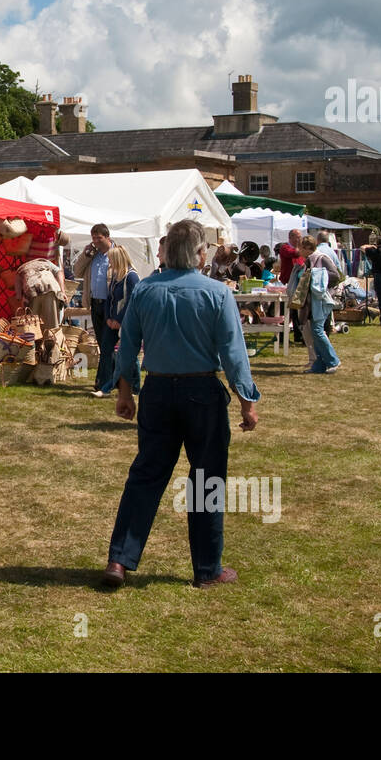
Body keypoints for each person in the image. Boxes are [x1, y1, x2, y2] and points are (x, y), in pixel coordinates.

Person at [101, 220, 259, 591]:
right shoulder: (216, 294)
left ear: (167, 250)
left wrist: (125, 393)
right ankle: (207, 568)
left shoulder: (145, 291)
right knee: (207, 480)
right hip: (202, 393)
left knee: (145, 477)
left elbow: (127, 346)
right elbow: (234, 356)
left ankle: (119, 560)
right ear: (201, 253)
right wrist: (247, 402)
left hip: (157, 392)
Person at [73, 224, 116, 394]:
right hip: (95, 303)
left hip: (110, 303)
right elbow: (77, 271)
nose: (96, 242)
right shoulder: (93, 255)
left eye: (99, 238)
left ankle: (103, 382)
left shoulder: (116, 253)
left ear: (107, 237)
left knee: (107, 345)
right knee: (103, 344)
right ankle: (119, 378)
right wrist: (85, 254)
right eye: (93, 238)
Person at [94, 245, 141, 397]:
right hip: (112, 321)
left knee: (129, 353)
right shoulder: (115, 276)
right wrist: (108, 318)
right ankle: (105, 386)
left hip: (126, 322)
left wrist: (119, 320)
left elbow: (131, 302)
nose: (109, 263)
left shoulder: (132, 276)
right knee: (106, 350)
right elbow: (110, 298)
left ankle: (134, 386)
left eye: (111, 259)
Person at [291, 236, 343, 373]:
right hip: (311, 302)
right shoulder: (308, 260)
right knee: (314, 332)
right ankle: (319, 365)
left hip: (321, 301)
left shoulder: (321, 258)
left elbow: (336, 276)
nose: (298, 250)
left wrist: (316, 274)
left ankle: (333, 360)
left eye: (300, 247)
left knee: (318, 331)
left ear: (308, 248)